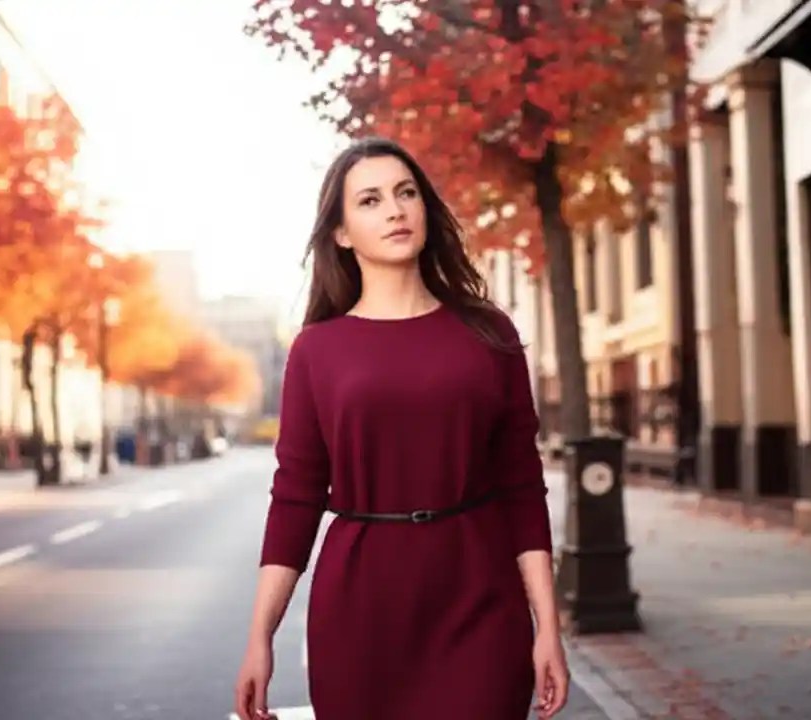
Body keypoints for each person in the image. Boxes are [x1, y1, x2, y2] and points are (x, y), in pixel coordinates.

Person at [233, 136, 569, 720]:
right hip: (361, 607)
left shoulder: (489, 333)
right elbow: (295, 496)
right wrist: (260, 636)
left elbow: (521, 484)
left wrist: (548, 627)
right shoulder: (317, 349)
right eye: (370, 200)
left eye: (406, 192)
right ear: (340, 233)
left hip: (480, 595)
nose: (394, 209)